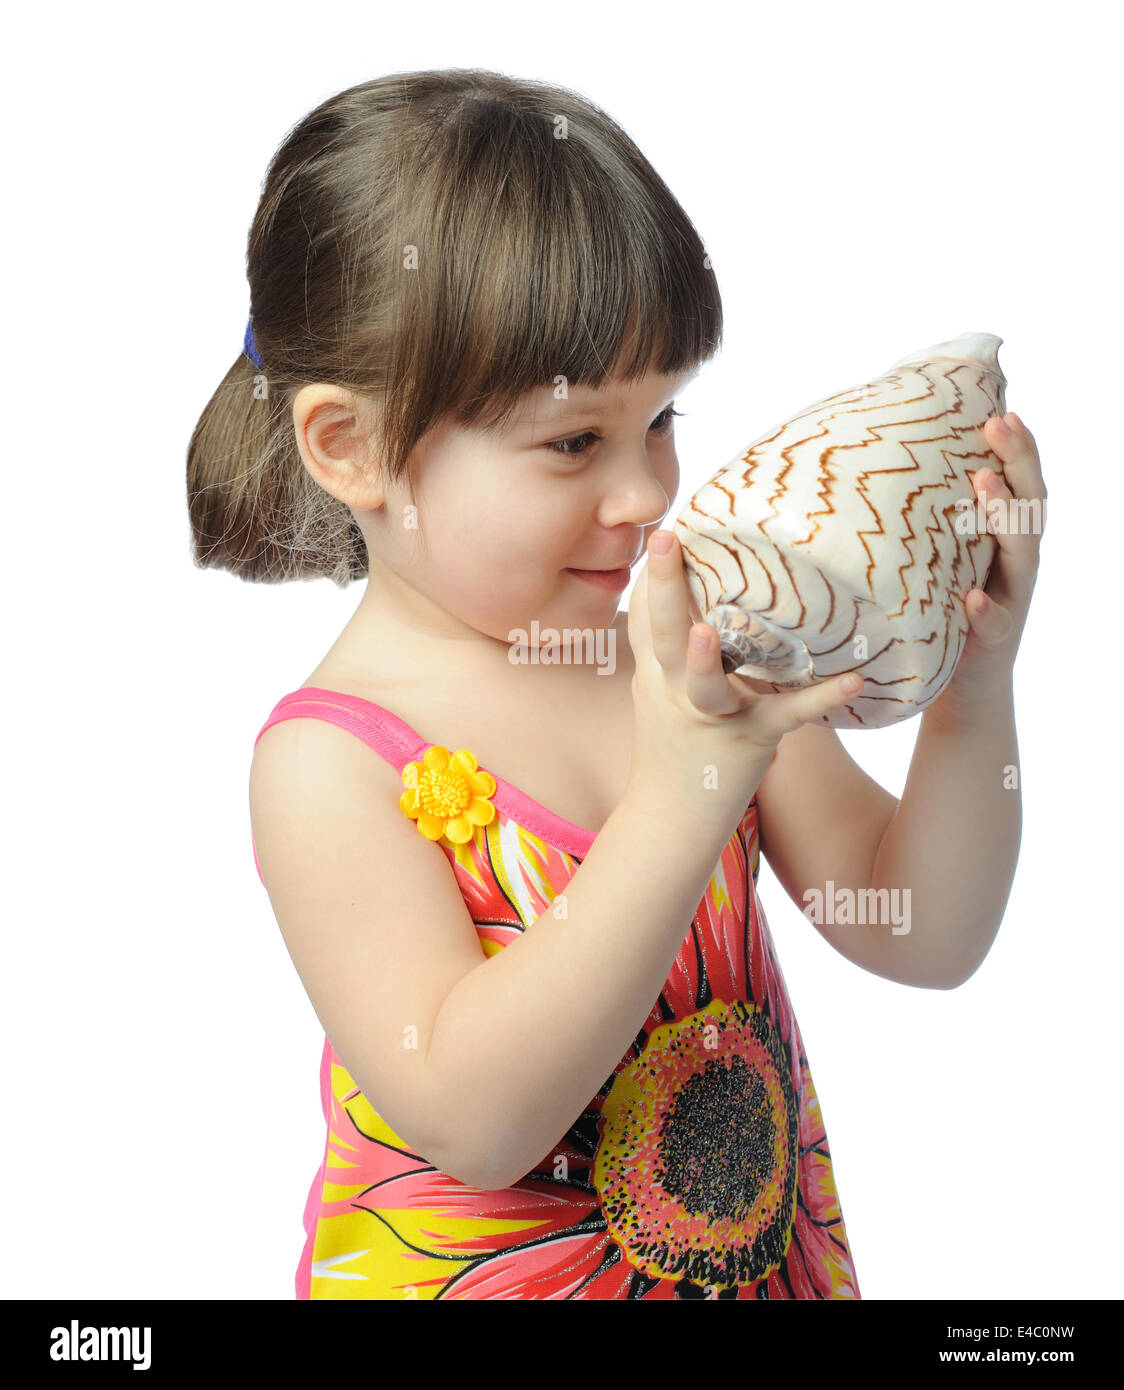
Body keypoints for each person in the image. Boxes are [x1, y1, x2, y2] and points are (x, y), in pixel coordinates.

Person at [187, 69, 1041, 1300]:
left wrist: (973, 682)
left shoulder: (686, 647)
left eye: (663, 419)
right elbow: (475, 1117)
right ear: (353, 447)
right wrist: (689, 791)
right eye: (574, 440)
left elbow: (921, 926)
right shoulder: (329, 764)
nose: (645, 494)